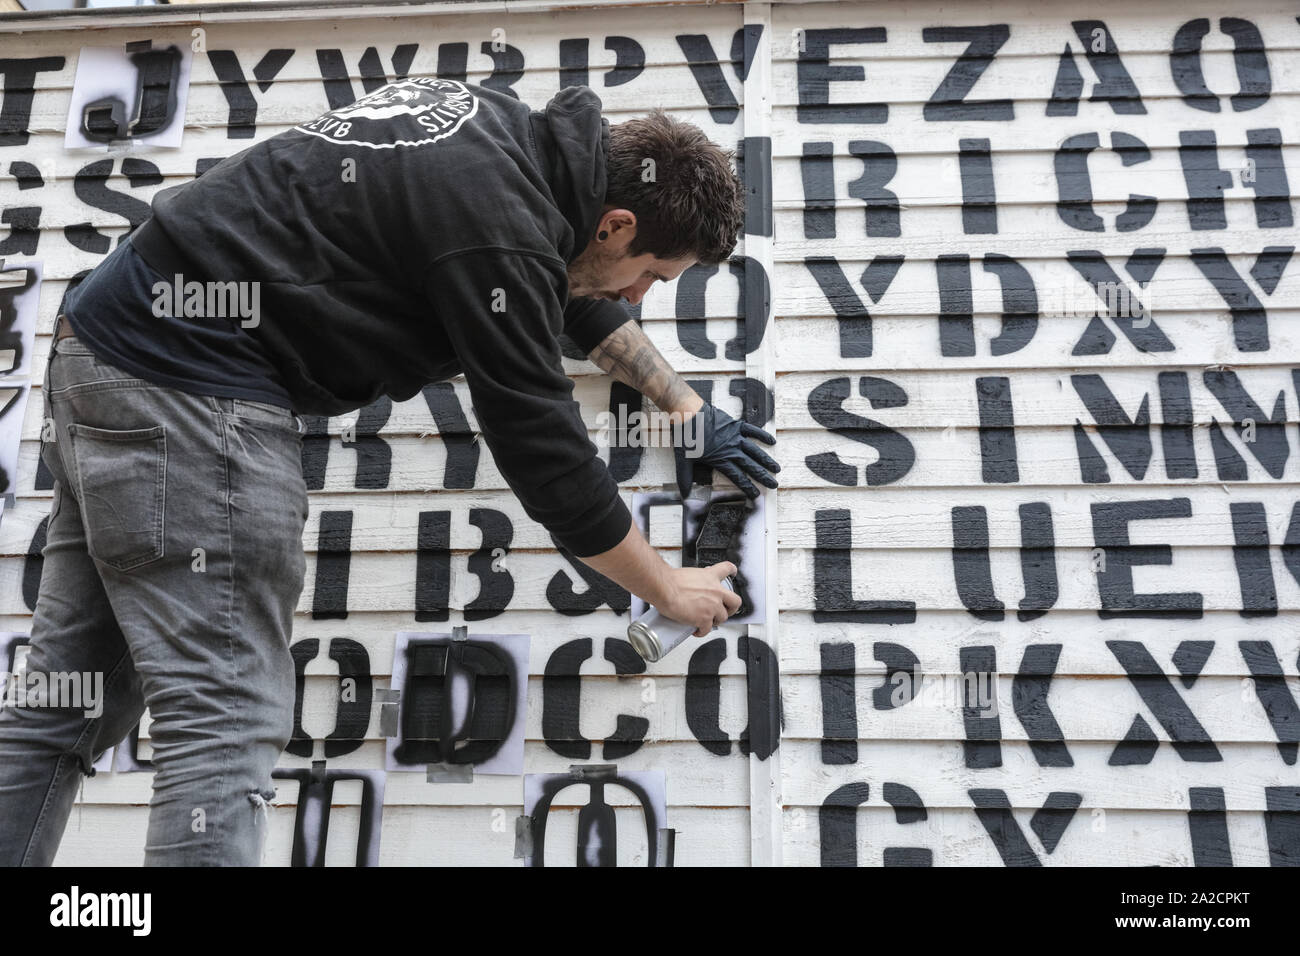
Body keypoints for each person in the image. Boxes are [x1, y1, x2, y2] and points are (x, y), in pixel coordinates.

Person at [0, 78, 780, 866]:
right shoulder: (499, 221)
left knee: (66, 702)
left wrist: (682, 404)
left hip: (105, 357)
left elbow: (559, 284)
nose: (641, 297)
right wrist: (666, 589)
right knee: (226, 711)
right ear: (616, 223)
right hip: (191, 387)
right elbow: (541, 440)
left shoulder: (505, 141)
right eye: (654, 274)